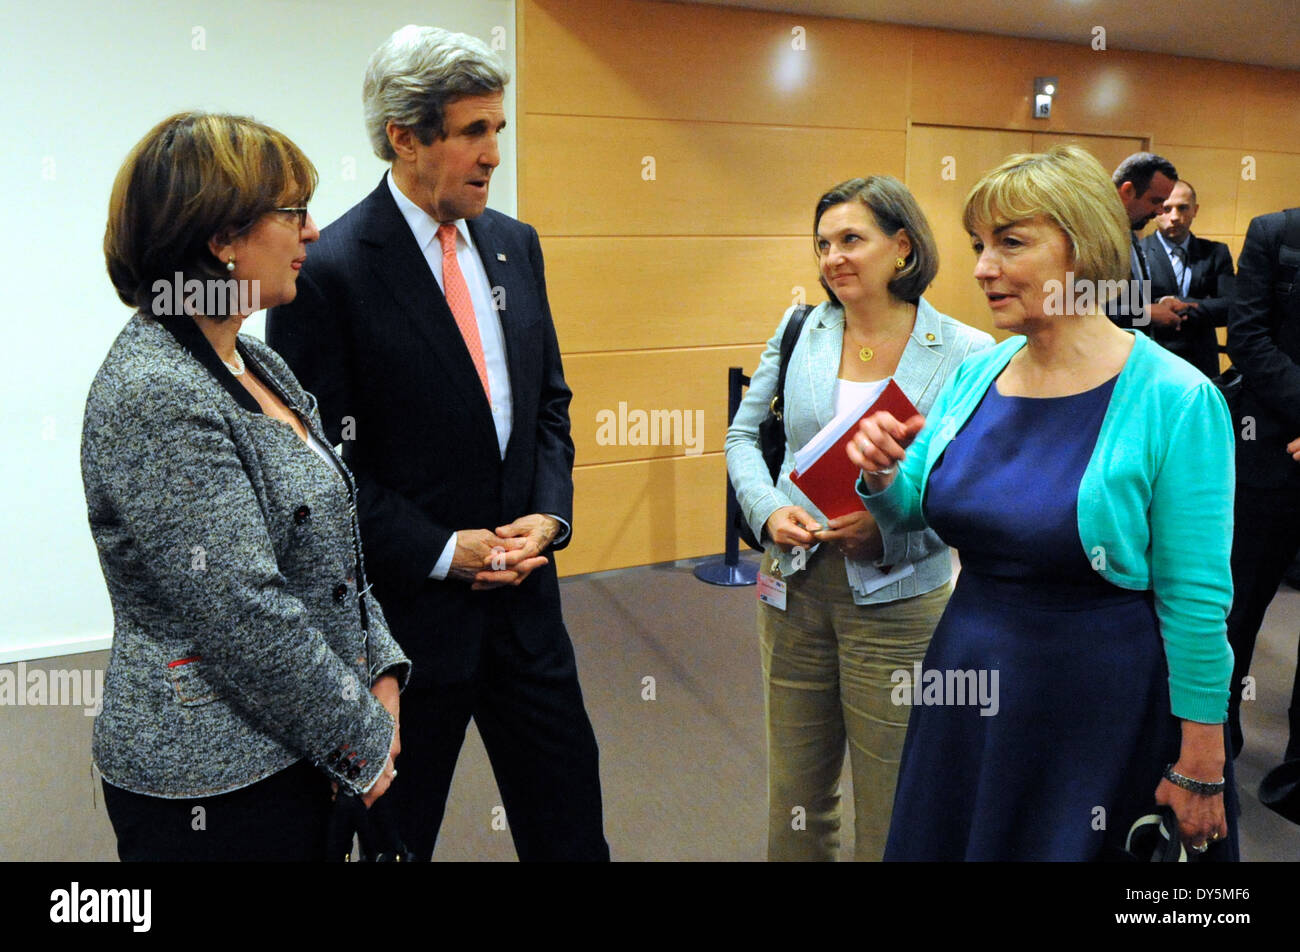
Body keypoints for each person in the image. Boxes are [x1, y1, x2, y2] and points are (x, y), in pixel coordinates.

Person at [266, 25, 608, 862]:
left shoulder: (514, 245)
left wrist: (548, 517)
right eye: (472, 133)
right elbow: (319, 466)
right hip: (407, 629)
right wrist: (442, 549)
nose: (494, 154)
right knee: (396, 842)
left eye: (499, 130)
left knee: (570, 831)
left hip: (528, 611)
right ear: (406, 136)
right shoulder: (330, 268)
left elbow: (549, 408)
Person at [849, 145, 1238, 860]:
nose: (981, 267)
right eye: (978, 245)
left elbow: (1197, 597)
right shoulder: (981, 372)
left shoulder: (1176, 398)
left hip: (1091, 697)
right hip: (966, 672)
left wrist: (1201, 760)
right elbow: (916, 511)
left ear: (1084, 248)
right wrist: (880, 473)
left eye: (1010, 242)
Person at [85, 112, 409, 861]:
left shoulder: (258, 364)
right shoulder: (155, 391)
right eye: (292, 212)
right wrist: (364, 737)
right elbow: (241, 612)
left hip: (303, 742)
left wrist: (381, 671)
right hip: (212, 783)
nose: (314, 232)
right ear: (221, 239)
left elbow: (335, 545)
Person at [725, 176, 993, 861]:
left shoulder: (967, 351)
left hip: (900, 603)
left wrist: (896, 528)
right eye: (823, 244)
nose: (833, 258)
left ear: (901, 248)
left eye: (852, 240)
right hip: (791, 588)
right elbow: (743, 439)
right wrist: (769, 510)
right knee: (795, 794)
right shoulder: (798, 330)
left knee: (894, 795)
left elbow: (975, 485)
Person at [1223, 206, 1300, 763]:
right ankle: (1213, 744)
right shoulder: (1274, 231)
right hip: (1269, 455)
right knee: (1238, 610)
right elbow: (1247, 336)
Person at [1141, 180, 1235, 379]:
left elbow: (1231, 306)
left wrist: (1180, 306)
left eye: (1182, 208)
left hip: (1201, 360)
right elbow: (1125, 309)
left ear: (1195, 210)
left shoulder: (1215, 252)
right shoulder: (1136, 252)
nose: (1174, 217)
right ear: (1156, 210)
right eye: (1166, 209)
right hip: (1151, 358)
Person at [1109, 152, 1179, 332]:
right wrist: (1144, 313)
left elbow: (1126, 299)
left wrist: (1157, 304)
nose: (1159, 212)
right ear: (1127, 191)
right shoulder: (1089, 235)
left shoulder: (1129, 230)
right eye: (1155, 201)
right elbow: (1073, 308)